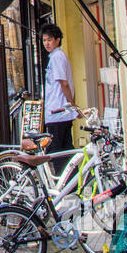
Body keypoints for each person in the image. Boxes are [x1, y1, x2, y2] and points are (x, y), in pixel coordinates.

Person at [41, 24, 81, 175]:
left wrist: (72, 104)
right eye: (44, 40)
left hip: (57, 111)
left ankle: (63, 182)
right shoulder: (58, 56)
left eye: (49, 40)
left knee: (57, 150)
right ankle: (70, 181)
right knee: (66, 148)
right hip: (61, 111)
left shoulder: (57, 57)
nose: (46, 43)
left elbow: (64, 83)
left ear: (58, 40)